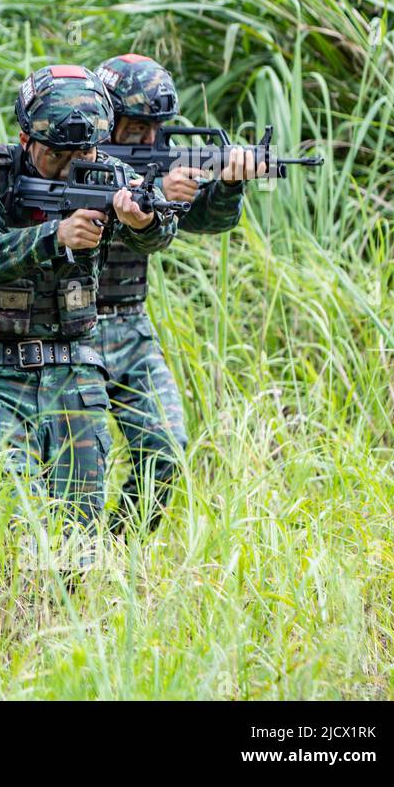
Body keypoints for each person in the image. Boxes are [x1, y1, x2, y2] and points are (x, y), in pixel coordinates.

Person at [0, 64, 177, 544]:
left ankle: (82, 602)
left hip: (75, 369)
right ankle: (6, 616)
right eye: (58, 154)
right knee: (14, 519)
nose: (74, 164)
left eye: (85, 151)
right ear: (25, 139)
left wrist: (142, 222)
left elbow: (159, 224)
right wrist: (54, 236)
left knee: (80, 534)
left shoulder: (107, 172)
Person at [93, 53, 265, 533]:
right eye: (136, 127)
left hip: (130, 325)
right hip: (71, 329)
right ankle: (64, 568)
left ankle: (119, 551)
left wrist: (227, 184)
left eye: (156, 126)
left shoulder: (157, 153)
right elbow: (81, 224)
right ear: (106, 117)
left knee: (165, 448)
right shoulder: (73, 159)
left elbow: (204, 221)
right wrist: (154, 196)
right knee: (76, 470)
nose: (150, 138)